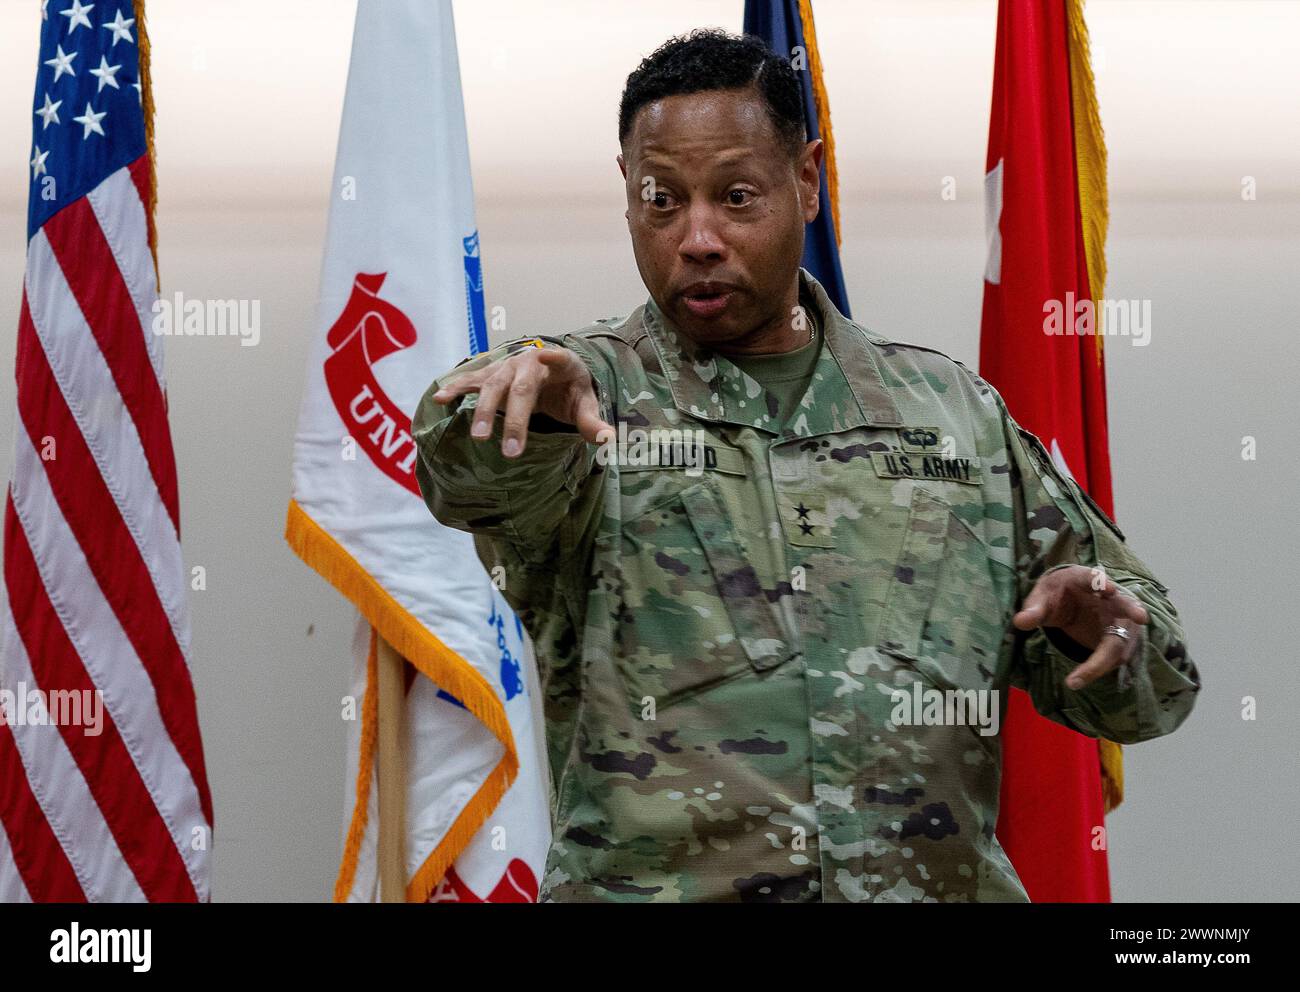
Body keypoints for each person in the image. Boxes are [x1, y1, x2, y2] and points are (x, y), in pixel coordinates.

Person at [410, 29, 1199, 902]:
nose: (697, 236)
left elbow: (1148, 695)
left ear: (809, 180)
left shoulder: (952, 415)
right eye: (661, 200)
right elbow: (461, 465)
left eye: (736, 195)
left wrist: (1102, 629)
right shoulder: (583, 399)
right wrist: (531, 407)